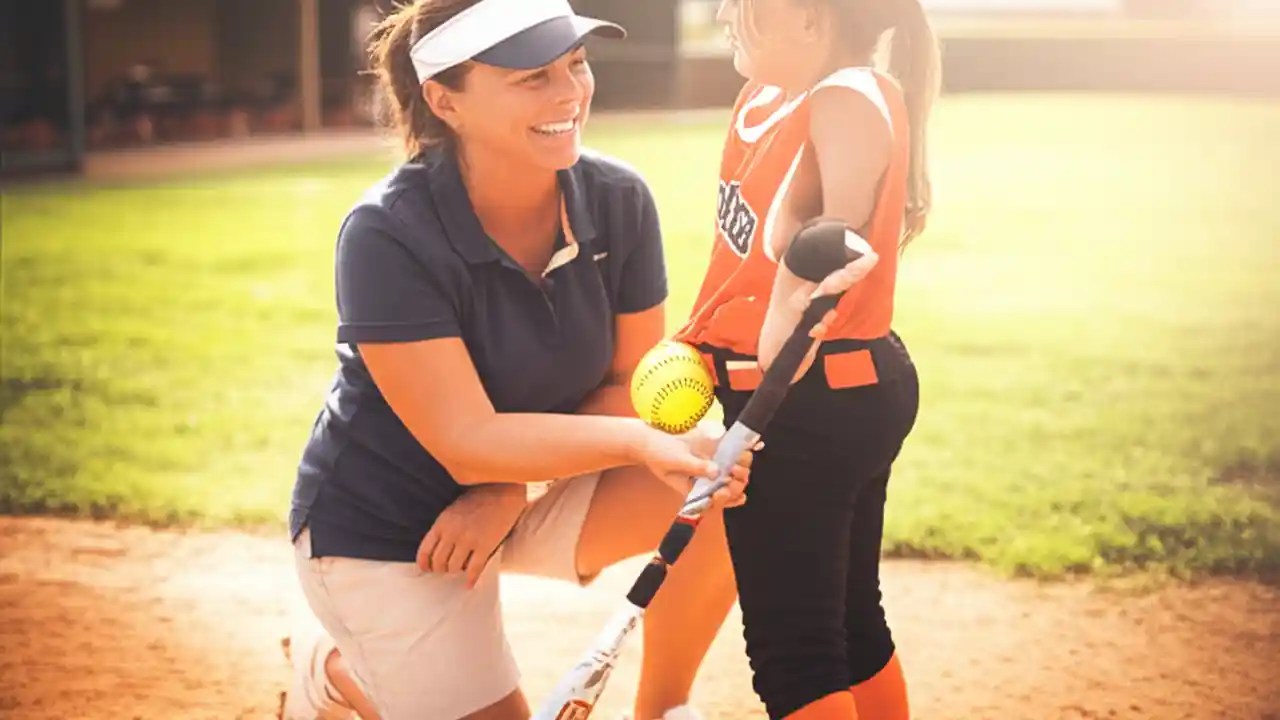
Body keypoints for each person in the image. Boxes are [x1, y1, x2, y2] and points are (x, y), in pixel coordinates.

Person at [283, 1, 750, 718]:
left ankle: (663, 711)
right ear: (445, 100)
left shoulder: (618, 199)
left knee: (712, 477)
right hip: (391, 525)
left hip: (520, 485)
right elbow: (467, 443)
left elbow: (628, 385)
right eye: (533, 77)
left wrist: (512, 491)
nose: (569, 94)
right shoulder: (385, 233)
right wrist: (625, 445)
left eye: (575, 64)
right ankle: (341, 671)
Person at [672, 0, 941, 718]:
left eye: (745, 1)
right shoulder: (765, 95)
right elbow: (741, 266)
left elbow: (832, 244)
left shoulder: (848, 97)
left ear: (813, 20)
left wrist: (796, 273)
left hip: (804, 397)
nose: (726, 11)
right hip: (813, 389)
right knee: (848, 622)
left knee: (795, 653)